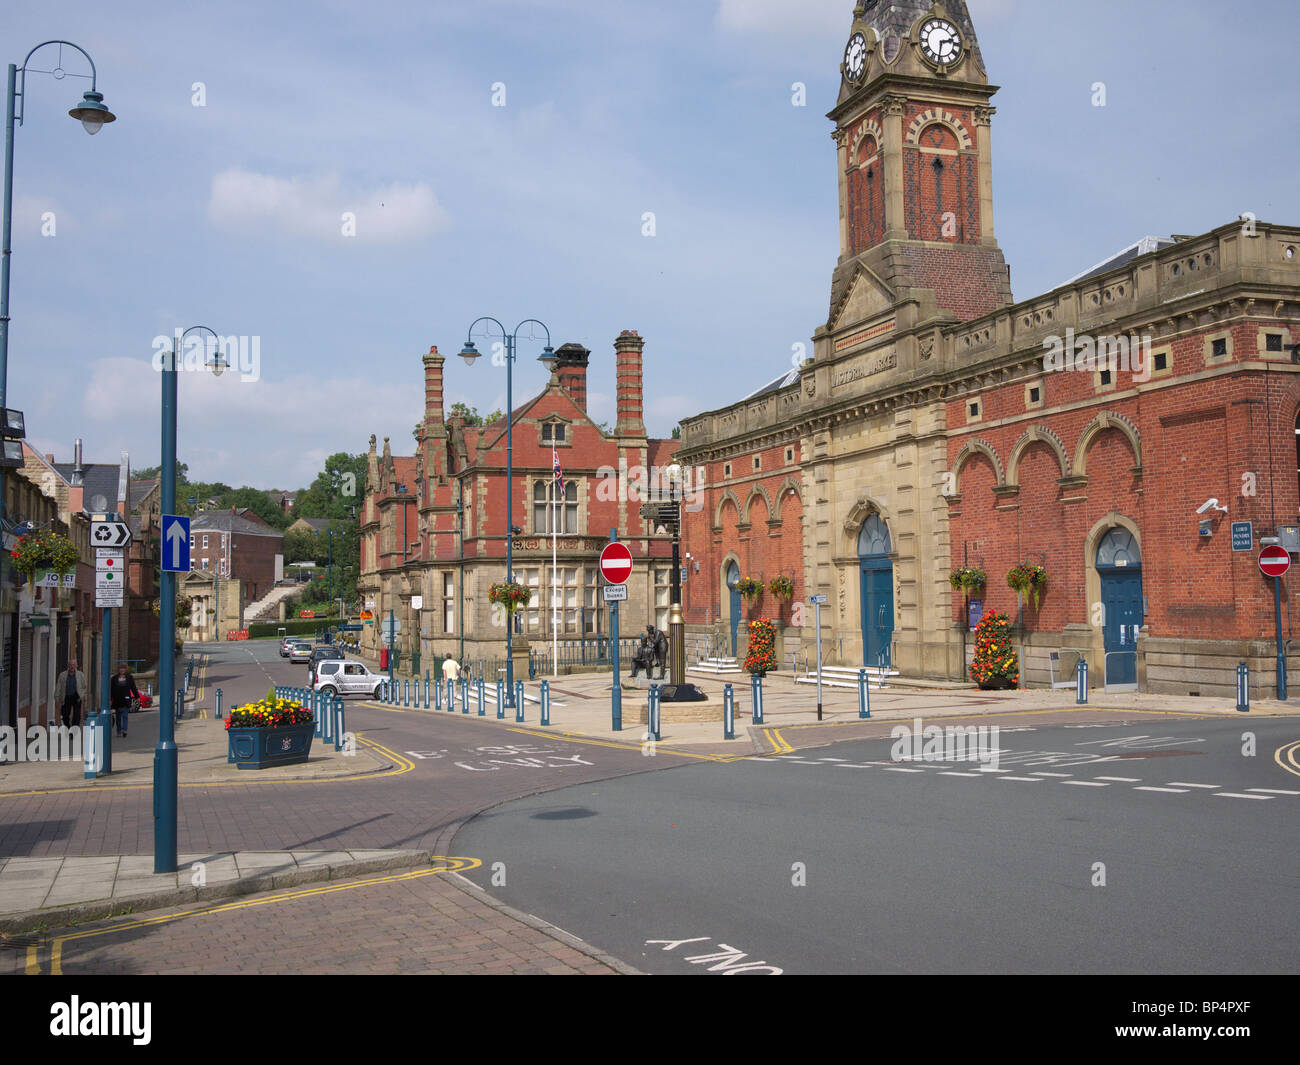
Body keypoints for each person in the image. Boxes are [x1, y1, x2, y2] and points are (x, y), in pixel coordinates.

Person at [109, 664, 140, 739]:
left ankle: (124, 730)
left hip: (126, 699)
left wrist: (137, 697)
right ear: (118, 669)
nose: (122, 670)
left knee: (125, 716)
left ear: (126, 669)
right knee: (118, 717)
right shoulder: (114, 678)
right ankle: (119, 731)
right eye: (120, 668)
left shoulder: (129, 677)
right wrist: (110, 699)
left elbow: (133, 688)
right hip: (117, 700)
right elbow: (111, 689)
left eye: (123, 668)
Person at [55, 659, 88, 728]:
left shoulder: (80, 675)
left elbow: (85, 687)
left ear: (76, 666)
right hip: (66, 697)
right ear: (68, 666)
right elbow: (58, 687)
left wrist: (81, 695)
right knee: (65, 716)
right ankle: (68, 727)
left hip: (76, 697)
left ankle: (74, 730)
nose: (72, 666)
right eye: (70, 665)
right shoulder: (62, 675)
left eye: (73, 665)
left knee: (77, 716)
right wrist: (57, 699)